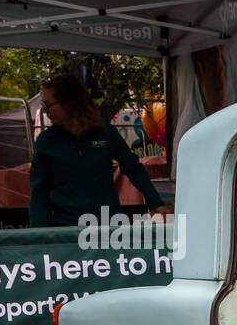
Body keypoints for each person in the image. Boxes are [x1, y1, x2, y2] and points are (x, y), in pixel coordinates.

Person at [29, 74, 170, 226]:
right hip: (66, 230)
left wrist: (154, 202)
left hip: (108, 227)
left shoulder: (106, 133)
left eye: (48, 105)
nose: (45, 111)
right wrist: (39, 236)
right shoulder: (46, 141)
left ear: (69, 103)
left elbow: (134, 168)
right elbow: (38, 194)